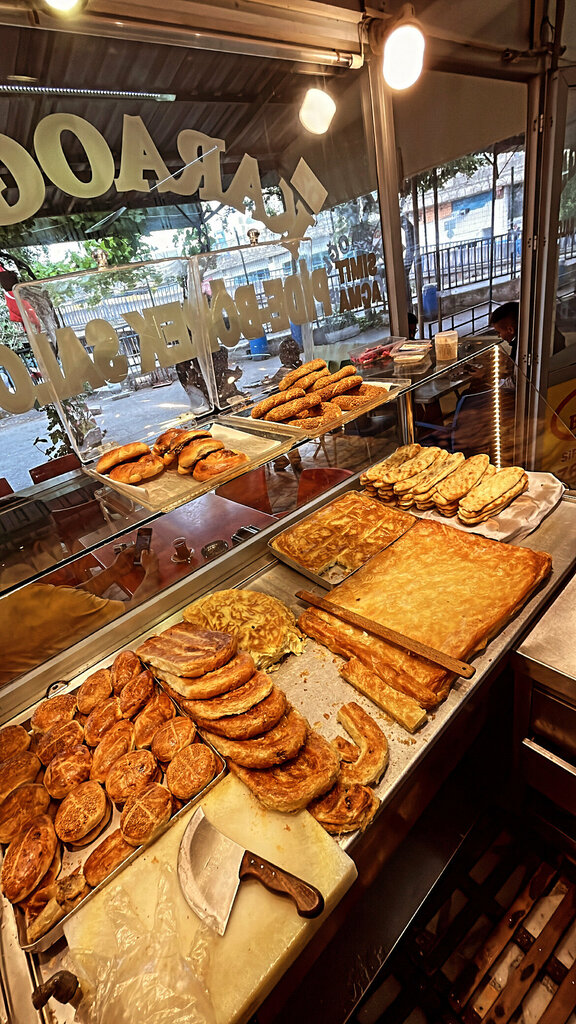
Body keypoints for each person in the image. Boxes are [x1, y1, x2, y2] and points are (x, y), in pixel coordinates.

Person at [0, 543, 160, 685]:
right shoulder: (56, 605)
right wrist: (152, 569)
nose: (64, 560)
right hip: (61, 681)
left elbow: (74, 595)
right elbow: (137, 612)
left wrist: (114, 571)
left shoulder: (13, 593)